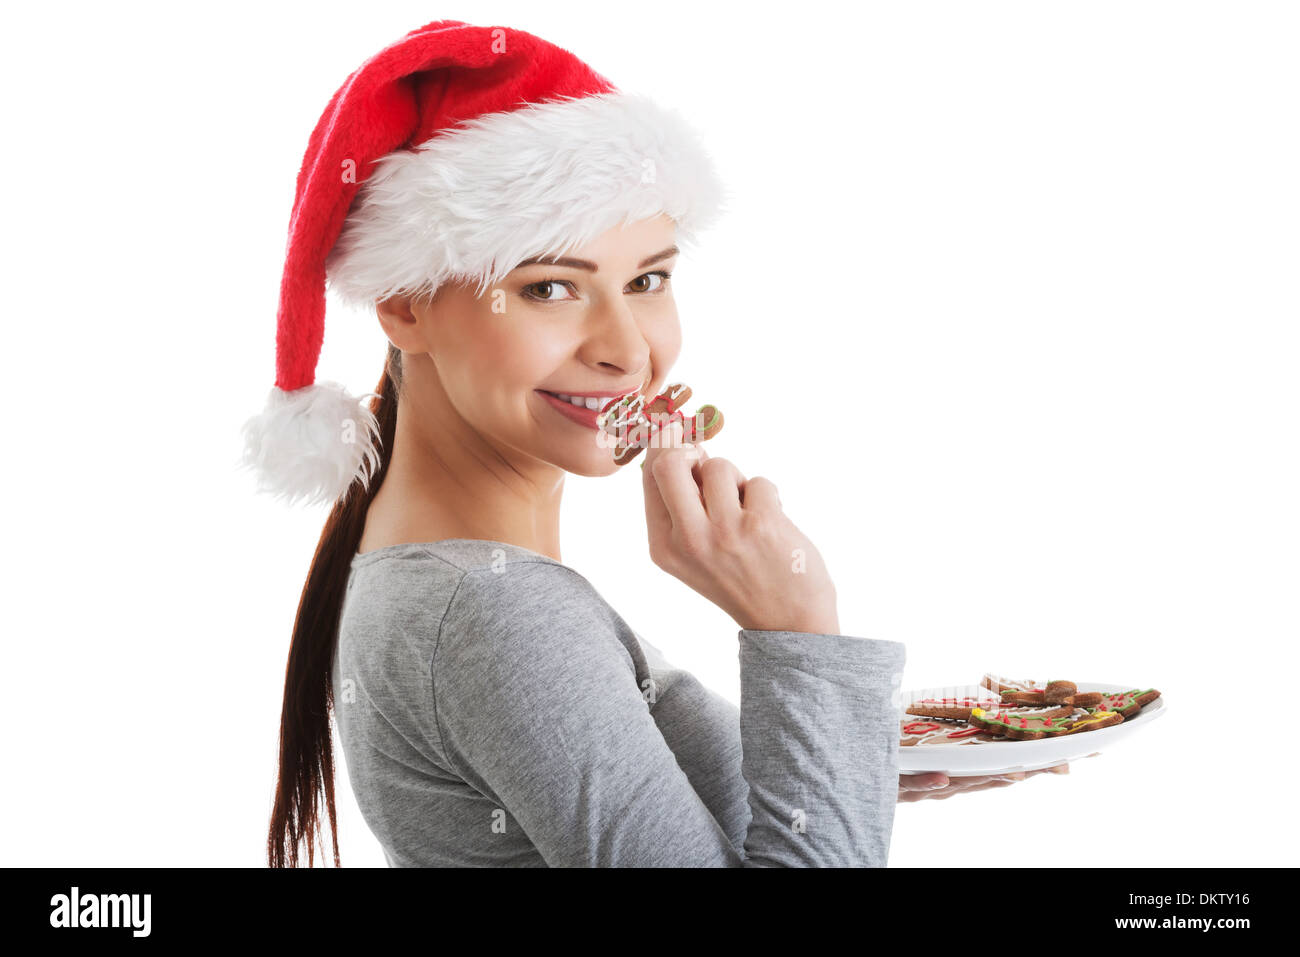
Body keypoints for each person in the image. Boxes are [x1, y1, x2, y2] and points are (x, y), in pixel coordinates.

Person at [242, 19, 1061, 869]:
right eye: (551, 286)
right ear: (405, 302)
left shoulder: (457, 584)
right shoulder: (495, 612)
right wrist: (798, 628)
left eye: (648, 280)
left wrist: (853, 751)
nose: (629, 350)